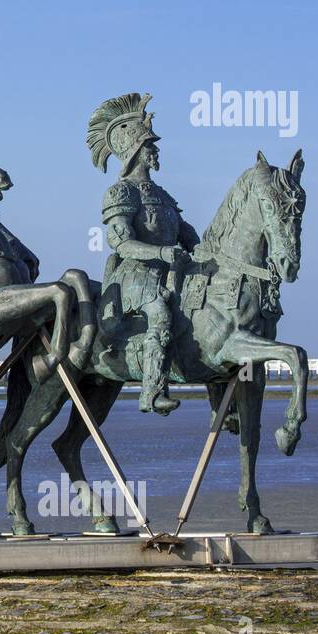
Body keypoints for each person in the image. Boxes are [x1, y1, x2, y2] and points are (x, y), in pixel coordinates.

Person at [87, 92, 199, 414]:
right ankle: (152, 392)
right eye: (150, 145)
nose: (156, 150)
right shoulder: (120, 192)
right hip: (133, 277)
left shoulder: (163, 195)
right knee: (161, 312)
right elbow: (120, 243)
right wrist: (163, 253)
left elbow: (190, 236)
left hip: (172, 271)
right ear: (136, 150)